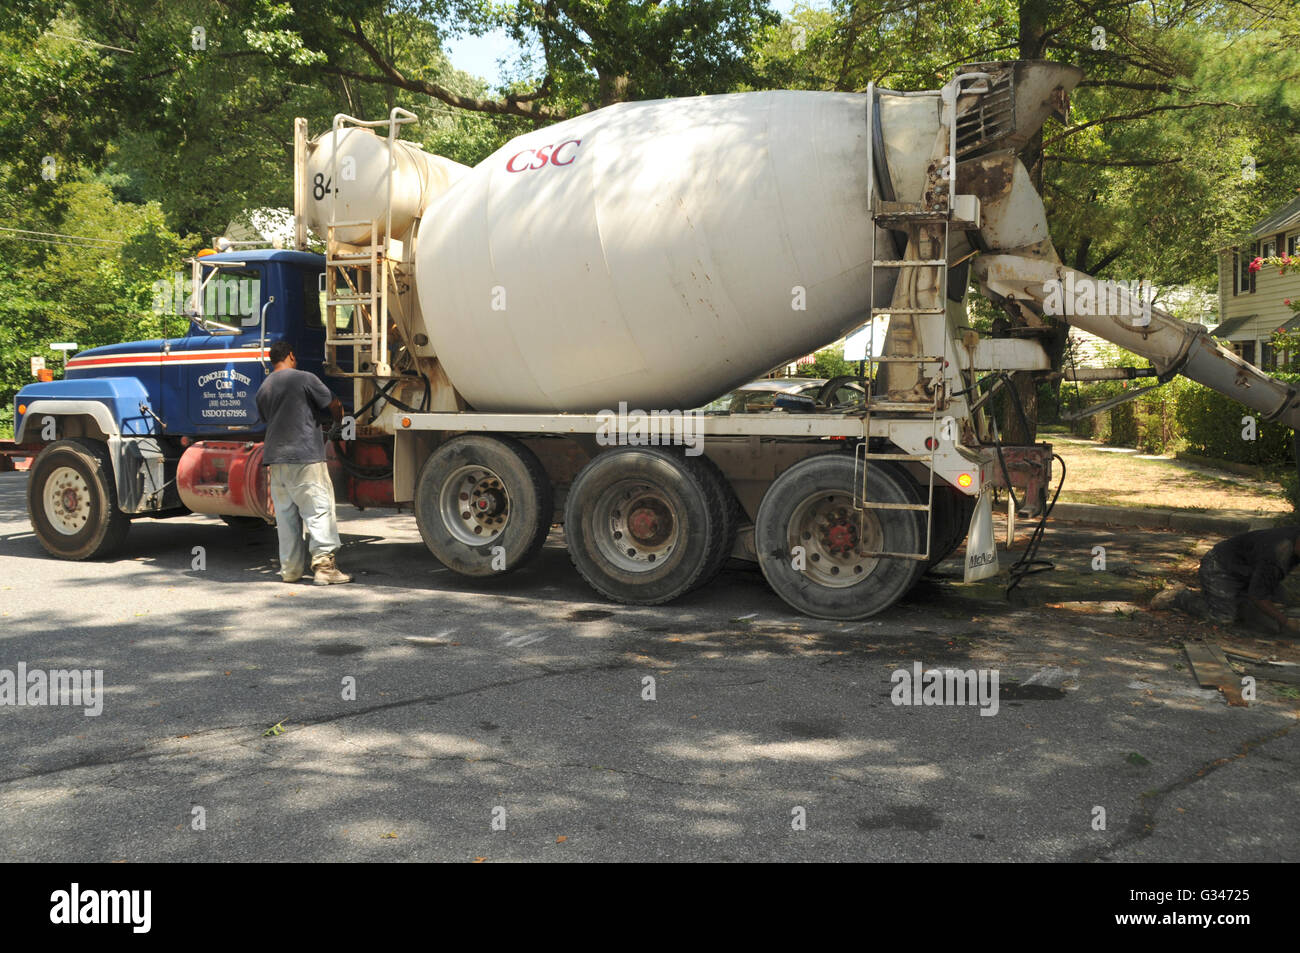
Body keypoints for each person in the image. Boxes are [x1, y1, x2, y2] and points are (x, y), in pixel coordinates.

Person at [254, 340, 352, 585]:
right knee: (318, 509)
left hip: (276, 460)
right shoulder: (304, 378)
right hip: (305, 456)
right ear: (290, 355)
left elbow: (267, 418)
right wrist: (338, 424)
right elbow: (334, 403)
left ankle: (290, 571)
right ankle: (325, 569)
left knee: (286, 518)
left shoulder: (264, 387)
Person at [1159, 525, 1300, 635]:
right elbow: (1258, 596)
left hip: (1248, 572)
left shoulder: (1292, 542)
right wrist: (1286, 622)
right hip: (1220, 567)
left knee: (1282, 604)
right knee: (1223, 618)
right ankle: (1180, 597)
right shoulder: (1276, 554)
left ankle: (1236, 602)